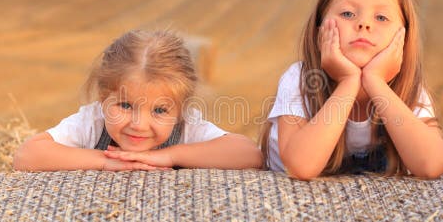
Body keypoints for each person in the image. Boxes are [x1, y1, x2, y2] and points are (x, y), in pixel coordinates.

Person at [261, 0, 443, 180]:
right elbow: (301, 167)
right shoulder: (301, 79)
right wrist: (348, 82)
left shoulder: (410, 89)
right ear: (320, 29)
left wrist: (375, 82)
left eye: (381, 18)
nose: (364, 23)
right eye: (348, 13)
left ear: (404, 37)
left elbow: (432, 165)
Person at [14, 30, 263, 171]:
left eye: (159, 111)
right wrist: (106, 161)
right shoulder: (93, 121)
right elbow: (28, 155)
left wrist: (171, 155)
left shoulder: (187, 128)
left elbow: (248, 154)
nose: (139, 125)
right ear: (103, 99)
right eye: (125, 105)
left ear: (180, 110)